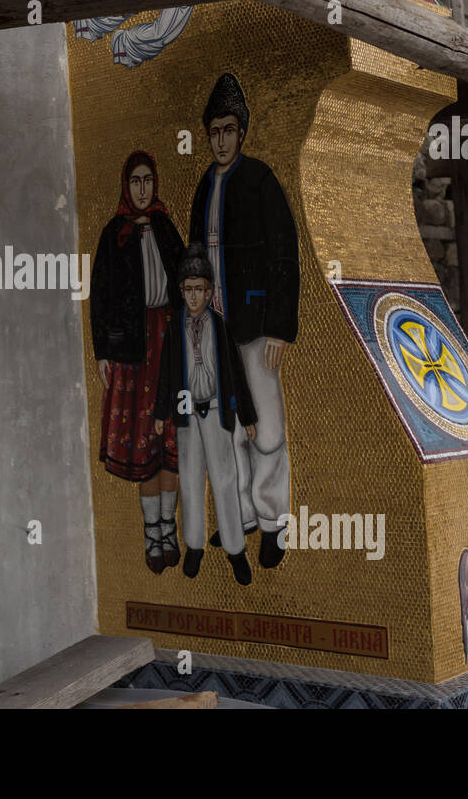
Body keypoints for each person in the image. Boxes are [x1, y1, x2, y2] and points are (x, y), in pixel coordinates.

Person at [188, 73, 300, 569]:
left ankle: (275, 522)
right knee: (226, 428)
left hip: (255, 327)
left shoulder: (260, 181)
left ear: (242, 131)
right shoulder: (201, 189)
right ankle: (241, 517)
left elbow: (284, 254)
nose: (221, 139)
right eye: (213, 130)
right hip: (214, 332)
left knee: (267, 428)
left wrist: (279, 325)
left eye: (229, 129)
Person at [90, 151, 186, 574]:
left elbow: (187, 282)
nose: (143, 189)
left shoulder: (166, 228)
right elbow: (101, 296)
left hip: (168, 340)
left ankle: (169, 527)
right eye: (136, 182)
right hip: (132, 350)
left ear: (156, 184)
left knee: (172, 446)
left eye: (148, 180)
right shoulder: (114, 234)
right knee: (144, 443)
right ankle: (151, 535)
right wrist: (103, 351)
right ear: (125, 186)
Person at [153, 245, 258, 585]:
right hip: (186, 411)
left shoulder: (220, 326)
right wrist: (160, 411)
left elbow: (236, 373)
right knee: (191, 478)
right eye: (188, 289)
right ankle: (194, 545)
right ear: (181, 291)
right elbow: (166, 372)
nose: (194, 296)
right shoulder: (174, 329)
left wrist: (248, 414)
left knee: (225, 478)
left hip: (214, 409)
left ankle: (235, 549)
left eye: (199, 289)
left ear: (210, 291)